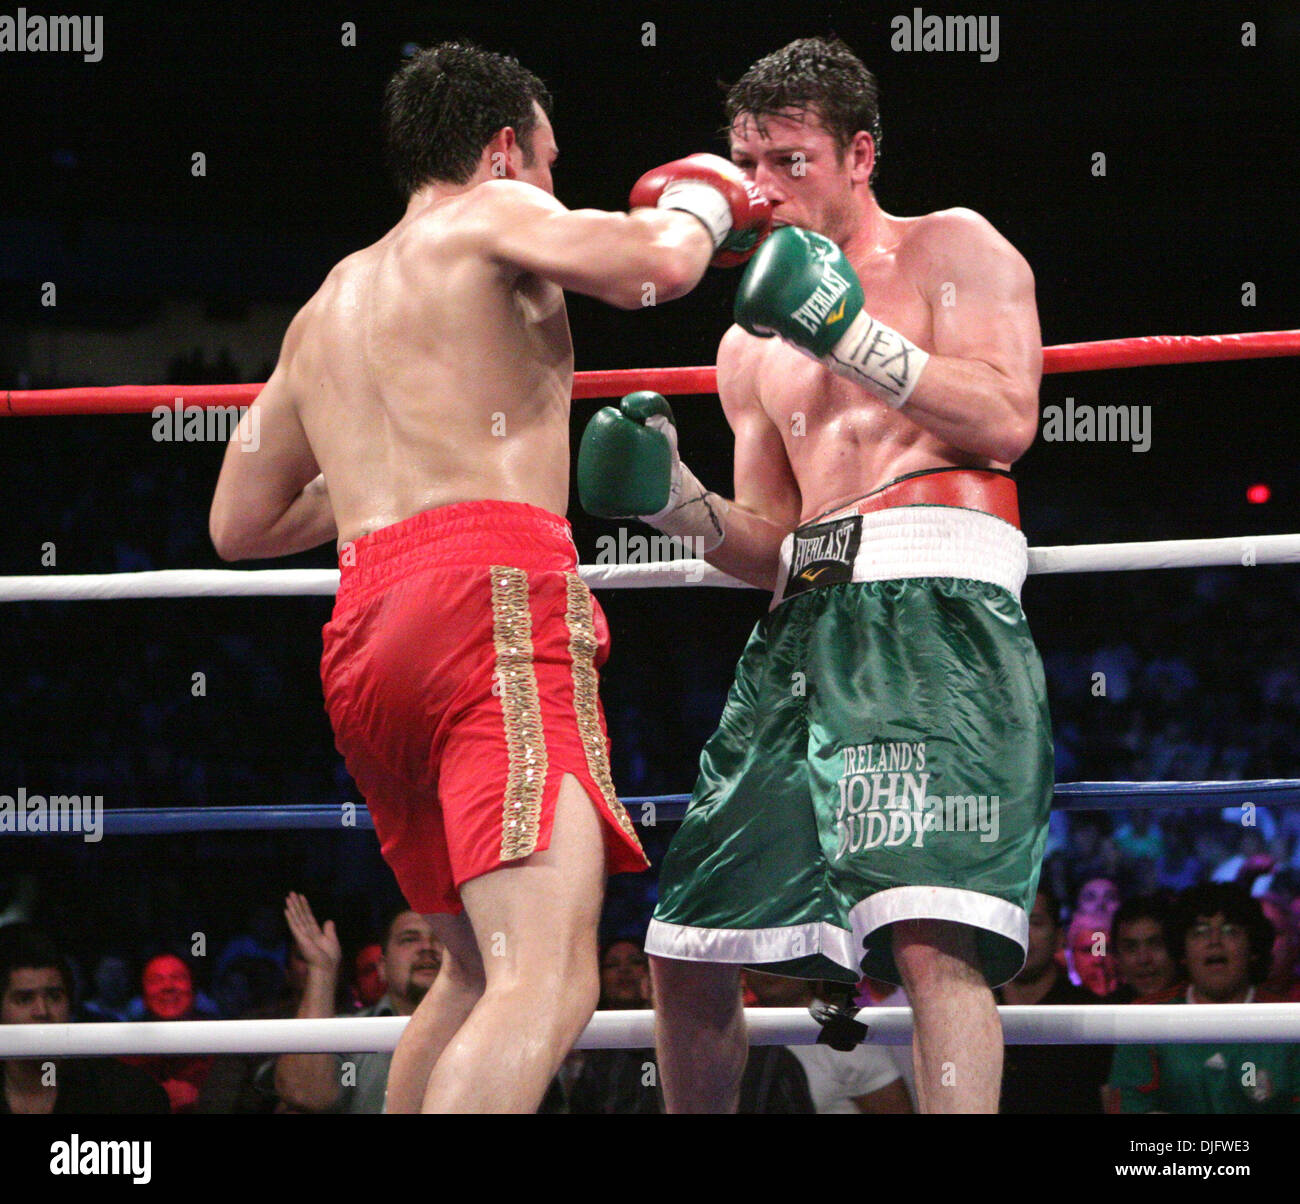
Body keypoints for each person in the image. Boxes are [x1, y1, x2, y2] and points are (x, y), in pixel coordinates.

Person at [207, 41, 770, 1114]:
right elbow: (656, 265)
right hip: (486, 601)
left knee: (468, 973)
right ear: (505, 149)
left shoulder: (328, 302)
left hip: (367, 627)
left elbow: (239, 519)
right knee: (544, 978)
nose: (553, 189)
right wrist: (706, 200)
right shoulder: (487, 211)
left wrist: (390, 464)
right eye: (551, 163)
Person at [579, 36, 1050, 1113]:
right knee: (687, 941)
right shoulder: (747, 342)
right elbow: (771, 544)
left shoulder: (952, 248)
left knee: (931, 934)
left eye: (789, 159)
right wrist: (669, 501)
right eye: (747, 162)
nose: (761, 187)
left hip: (938, 606)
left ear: (858, 155)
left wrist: (847, 334)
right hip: (803, 626)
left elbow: (1005, 420)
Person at [1107, 883, 1300, 1113]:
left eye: (1230, 931)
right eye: (1200, 932)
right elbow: (1131, 1106)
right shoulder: (1144, 1018)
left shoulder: (1290, 1022)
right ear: (1182, 952)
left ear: (1253, 948)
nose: (1214, 941)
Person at [274, 897, 441, 1114]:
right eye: (409, 939)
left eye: (440, 939)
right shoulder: (352, 1044)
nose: (427, 947)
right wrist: (322, 972)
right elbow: (304, 1093)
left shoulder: (482, 1032)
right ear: (382, 967)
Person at [0, 925, 167, 1115]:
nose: (42, 1011)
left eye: (54, 997)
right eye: (24, 999)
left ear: (70, 1002)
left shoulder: (127, 1092)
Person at [996, 889, 1110, 1113]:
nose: (1022, 935)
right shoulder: (973, 1011)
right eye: (1011, 922)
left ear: (1059, 938)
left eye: (1035, 923)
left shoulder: (1090, 1013)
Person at [744, 971, 910, 1114]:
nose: (770, 970)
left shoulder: (846, 1032)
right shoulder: (736, 1037)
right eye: (761, 961)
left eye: (783, 958)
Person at [1107, 893, 1179, 1003]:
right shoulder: (1104, 1013)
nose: (1143, 959)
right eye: (1130, 948)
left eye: (1155, 945)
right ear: (1117, 957)